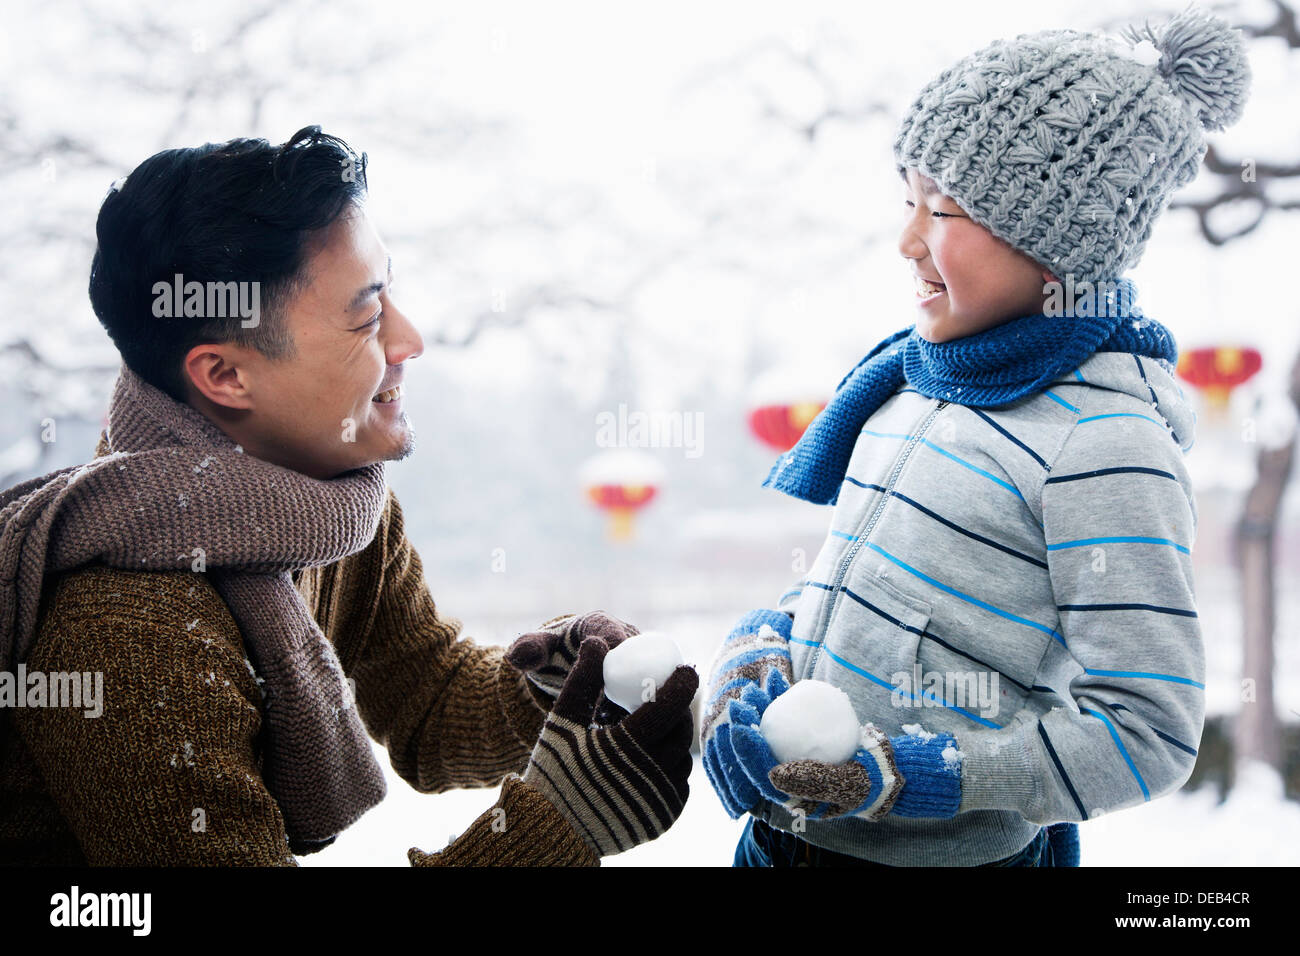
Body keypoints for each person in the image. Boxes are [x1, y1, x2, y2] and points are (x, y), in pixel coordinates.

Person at [0, 127, 696, 866]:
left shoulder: (327, 504)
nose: (411, 339)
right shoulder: (129, 635)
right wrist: (557, 827)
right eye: (367, 317)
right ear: (226, 377)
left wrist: (549, 681)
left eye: (389, 294)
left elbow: (425, 696)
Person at [701, 6, 1251, 866]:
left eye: (946, 209)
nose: (907, 239)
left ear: (1059, 246)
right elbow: (871, 607)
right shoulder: (915, 389)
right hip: (786, 844)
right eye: (908, 200)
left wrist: (918, 775)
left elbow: (1150, 730)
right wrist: (762, 650)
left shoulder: (1104, 447)